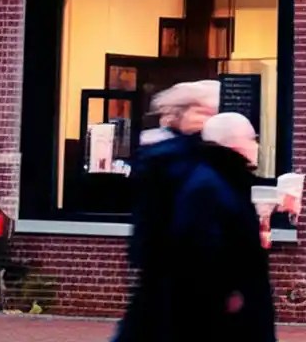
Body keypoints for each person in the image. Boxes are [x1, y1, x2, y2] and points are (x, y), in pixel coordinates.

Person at [114, 80, 219, 342]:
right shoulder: (169, 156)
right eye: (202, 112)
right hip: (171, 264)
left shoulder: (196, 153)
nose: (208, 119)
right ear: (179, 113)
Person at [166, 112, 275, 342]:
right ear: (234, 142)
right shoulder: (212, 185)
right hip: (226, 320)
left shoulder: (224, 180)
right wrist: (231, 296)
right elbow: (201, 250)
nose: (255, 145)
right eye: (252, 139)